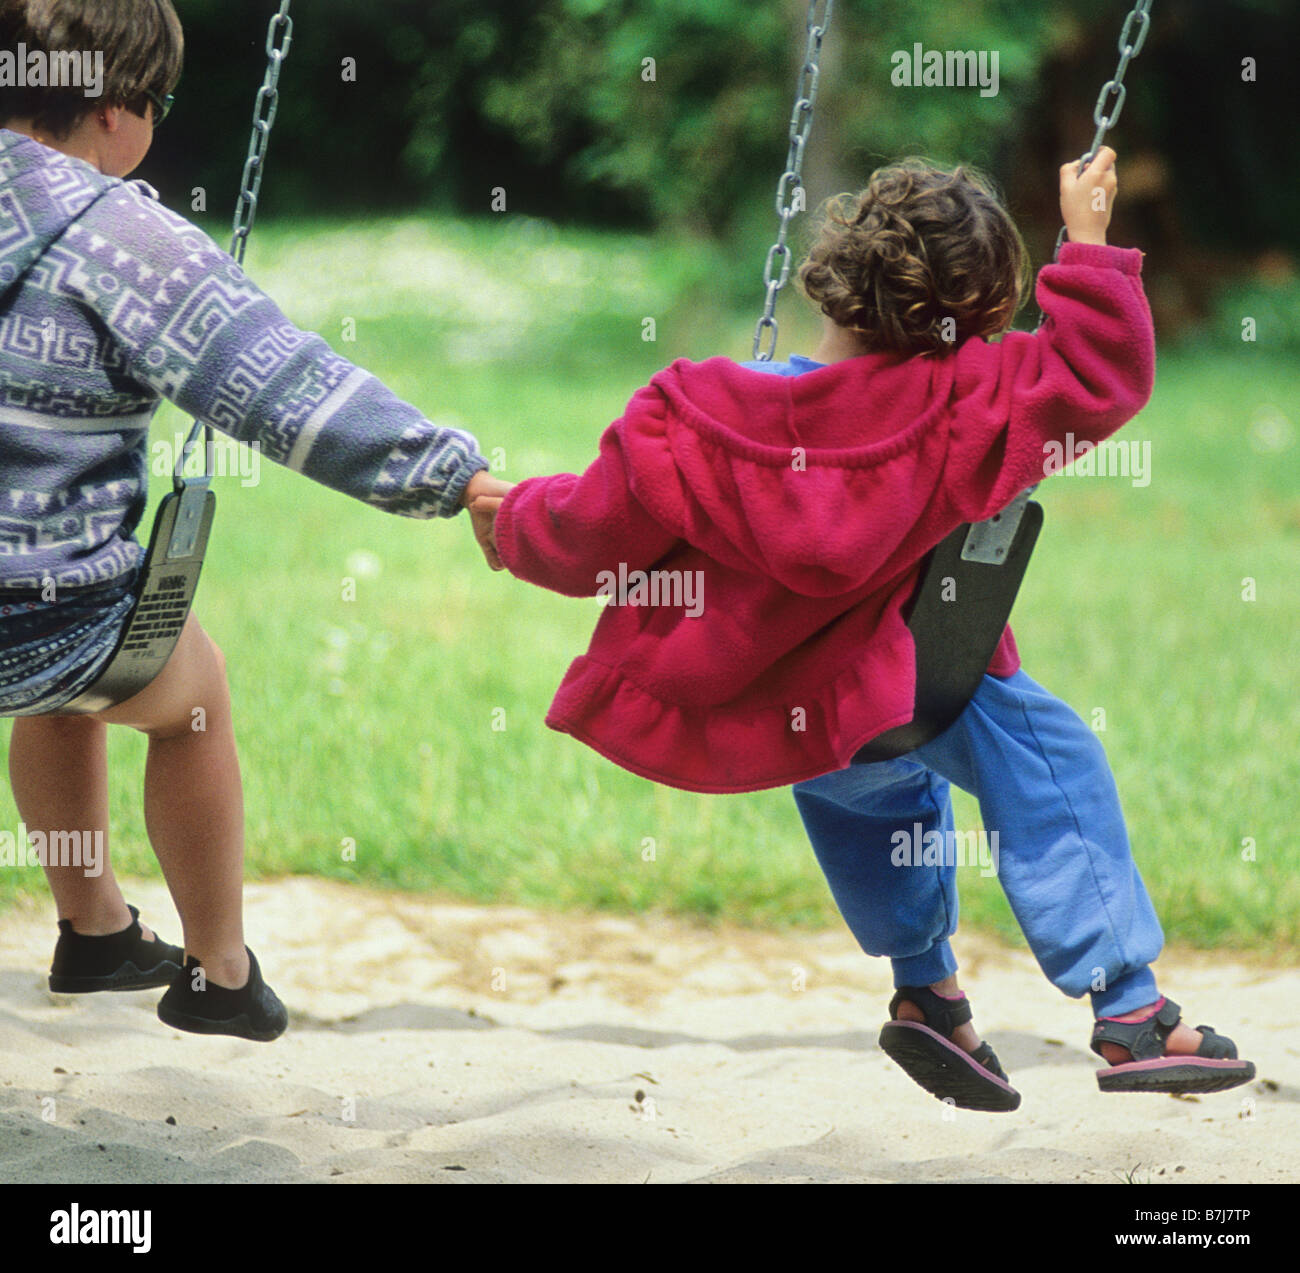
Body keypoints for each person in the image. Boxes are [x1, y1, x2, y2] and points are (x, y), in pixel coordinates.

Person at [471, 150, 1256, 1109]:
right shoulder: (969, 400)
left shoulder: (694, 412)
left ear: (836, 283)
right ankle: (1131, 1009)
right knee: (1052, 765)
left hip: (795, 712)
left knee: (877, 803)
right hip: (923, 685)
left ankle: (927, 992)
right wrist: (1087, 243)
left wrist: (509, 519)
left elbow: (591, 529)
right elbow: (1096, 376)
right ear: (971, 316)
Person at [0, 0, 509, 1041]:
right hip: (43, 614)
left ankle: (96, 929)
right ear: (117, 110)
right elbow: (286, 390)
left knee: (57, 704)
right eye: (160, 104)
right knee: (187, 698)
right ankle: (219, 969)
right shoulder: (121, 234)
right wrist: (450, 475)